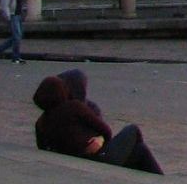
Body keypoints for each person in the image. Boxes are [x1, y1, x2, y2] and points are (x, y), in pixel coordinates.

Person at [32, 72, 164, 175]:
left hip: (79, 162)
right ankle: (160, 181)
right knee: (133, 130)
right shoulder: (73, 107)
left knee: (139, 150)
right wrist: (101, 139)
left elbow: (44, 150)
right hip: (98, 158)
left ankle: (154, 178)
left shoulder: (41, 123)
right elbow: (106, 131)